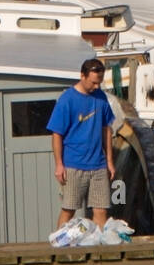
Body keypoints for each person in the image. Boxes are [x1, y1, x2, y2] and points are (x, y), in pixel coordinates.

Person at [47, 58, 116, 229]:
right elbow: (57, 134)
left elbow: (106, 129)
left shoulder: (101, 97)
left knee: (101, 211)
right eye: (93, 82)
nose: (97, 87)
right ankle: (61, 247)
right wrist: (59, 165)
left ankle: (98, 250)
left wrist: (109, 162)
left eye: (99, 82)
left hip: (98, 165)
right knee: (69, 210)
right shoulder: (67, 99)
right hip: (73, 165)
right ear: (82, 76)